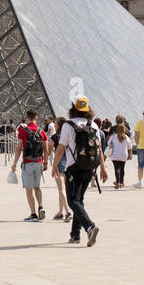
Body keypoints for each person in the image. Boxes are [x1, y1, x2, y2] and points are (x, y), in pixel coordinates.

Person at [52, 98, 106, 246]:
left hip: (74, 168)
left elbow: (61, 148)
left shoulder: (68, 126)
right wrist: (103, 168)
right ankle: (75, 235)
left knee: (72, 201)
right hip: (89, 168)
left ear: (72, 108)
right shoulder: (93, 125)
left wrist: (54, 165)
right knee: (79, 199)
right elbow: (99, 149)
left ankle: (89, 226)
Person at [10, 109, 48, 221]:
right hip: (39, 162)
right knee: (37, 187)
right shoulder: (41, 131)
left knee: (28, 189)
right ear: (36, 117)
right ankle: (41, 206)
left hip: (28, 162)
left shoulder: (23, 131)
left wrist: (15, 163)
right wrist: (45, 163)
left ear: (27, 118)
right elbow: (46, 149)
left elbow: (18, 148)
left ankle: (33, 214)